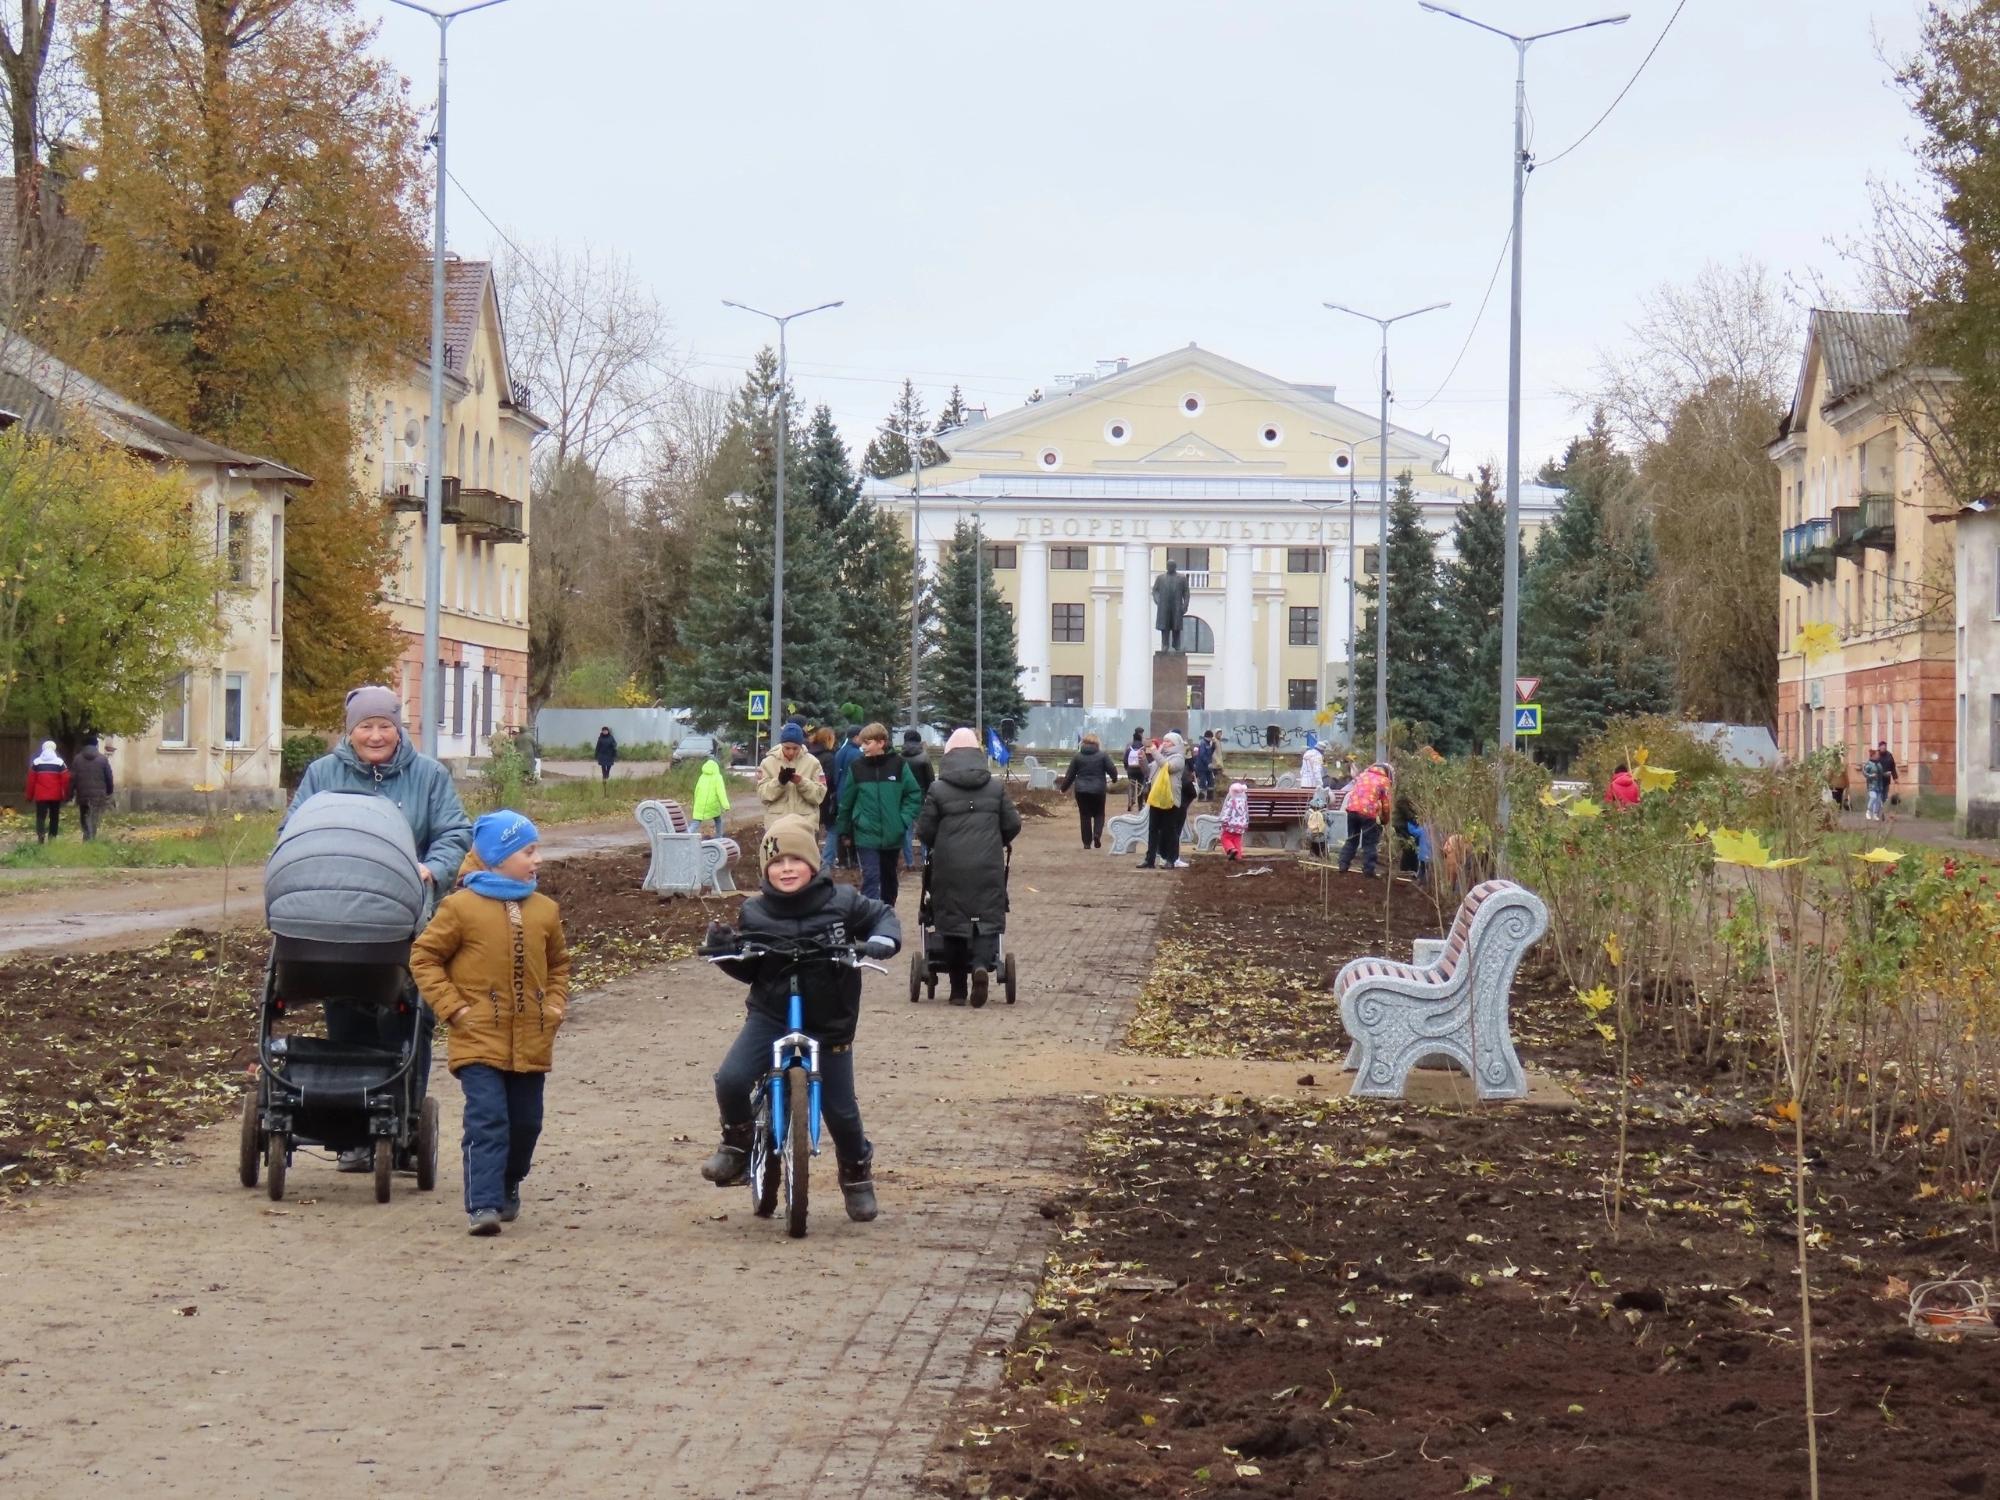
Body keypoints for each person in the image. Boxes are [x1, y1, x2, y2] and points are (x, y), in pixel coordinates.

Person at [287, 685, 473, 1169]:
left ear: (398, 728)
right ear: (349, 732)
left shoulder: (428, 776)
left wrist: (432, 868)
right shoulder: (323, 775)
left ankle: (403, 1127)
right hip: (335, 916)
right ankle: (352, 1130)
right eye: (364, 726)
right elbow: (295, 829)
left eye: (383, 725)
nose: (375, 735)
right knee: (347, 1012)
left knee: (410, 1015)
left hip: (406, 918)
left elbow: (455, 830)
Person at [700, 815, 900, 1221]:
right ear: (765, 869)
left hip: (829, 1020)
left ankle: (856, 1174)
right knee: (732, 1078)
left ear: (812, 863)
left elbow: (883, 916)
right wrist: (723, 950)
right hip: (771, 1014)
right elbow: (748, 969)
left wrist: (882, 940)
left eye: (795, 860)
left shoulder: (843, 901)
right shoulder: (754, 911)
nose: (786, 869)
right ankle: (736, 1144)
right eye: (776, 862)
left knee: (841, 1111)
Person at [410, 809, 569, 1236]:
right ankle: (483, 1204)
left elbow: (559, 965)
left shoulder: (544, 910)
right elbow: (424, 958)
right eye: (528, 851)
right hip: (477, 1036)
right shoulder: (460, 908)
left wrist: (554, 1005)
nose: (537, 860)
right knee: (488, 1118)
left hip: (533, 1037)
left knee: (526, 1122)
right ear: (498, 856)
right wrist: (454, 1008)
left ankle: (509, 1181)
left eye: (537, 850)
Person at [913, 727, 1021, 1006]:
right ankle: (981, 967)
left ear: (948, 756)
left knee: (951, 923)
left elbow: (925, 830)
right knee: (985, 920)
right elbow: (1013, 824)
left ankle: (959, 990)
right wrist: (996, 839)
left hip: (950, 867)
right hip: (988, 864)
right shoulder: (995, 787)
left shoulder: (938, 789)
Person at [838, 722, 923, 905]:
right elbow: (847, 801)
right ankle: (870, 918)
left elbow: (914, 794)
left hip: (892, 834)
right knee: (871, 876)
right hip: (866, 834)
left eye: (867, 743)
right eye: (862, 743)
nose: (863, 747)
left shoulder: (899, 765)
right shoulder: (857, 767)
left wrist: (902, 820)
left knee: (889, 879)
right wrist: (844, 830)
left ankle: (887, 914)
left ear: (881, 743)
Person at [1057, 731, 1120, 850]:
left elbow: (1070, 775)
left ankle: (1086, 843)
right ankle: (1096, 834)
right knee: (1099, 814)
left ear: (1083, 743)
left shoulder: (1077, 756)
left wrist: (1063, 789)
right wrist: (1114, 779)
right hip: (1098, 790)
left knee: (1084, 816)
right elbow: (1112, 770)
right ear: (1097, 743)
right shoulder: (1103, 755)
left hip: (1081, 790)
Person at [757, 721, 827, 825]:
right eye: (787, 748)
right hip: (777, 825)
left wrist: (801, 782)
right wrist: (779, 782)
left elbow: (819, 796)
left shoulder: (813, 763)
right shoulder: (767, 763)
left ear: (801, 745)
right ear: (781, 745)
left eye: (795, 748)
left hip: (805, 825)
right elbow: (763, 795)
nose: (791, 752)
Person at [1137, 731, 1188, 870]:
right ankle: (1150, 859)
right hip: (1157, 798)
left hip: (1170, 798)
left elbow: (1167, 767)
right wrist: (1142, 760)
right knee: (1153, 829)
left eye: (1168, 741)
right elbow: (1149, 772)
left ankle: (1171, 860)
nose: (1164, 743)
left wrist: (1154, 751)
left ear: (1176, 744)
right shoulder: (1161, 755)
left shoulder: (1178, 758)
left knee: (1170, 830)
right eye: (1164, 741)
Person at [1338, 761, 1393, 878]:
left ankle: (1343, 864)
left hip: (1352, 810)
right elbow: (1386, 804)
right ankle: (1368, 870)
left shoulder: (1362, 775)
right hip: (1368, 813)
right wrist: (1385, 820)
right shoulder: (1384, 780)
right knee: (1369, 843)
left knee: (1352, 839)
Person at [899, 729, 933, 870]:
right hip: (922, 798)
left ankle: (909, 861)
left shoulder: (899, 758)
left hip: (905, 798)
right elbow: (931, 780)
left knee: (906, 831)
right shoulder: (924, 757)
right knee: (924, 831)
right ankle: (926, 860)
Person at [69, 734, 114, 841]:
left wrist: (70, 793)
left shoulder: (77, 759)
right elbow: (109, 777)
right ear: (96, 744)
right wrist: (109, 791)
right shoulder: (102, 759)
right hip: (98, 795)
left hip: (82, 795)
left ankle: (87, 835)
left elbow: (72, 778)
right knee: (94, 816)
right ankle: (91, 837)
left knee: (84, 816)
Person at [26, 741, 70, 843]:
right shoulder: (60, 762)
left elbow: (31, 781)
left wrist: (29, 796)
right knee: (54, 817)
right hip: (56, 795)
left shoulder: (36, 762)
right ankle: (52, 838)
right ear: (54, 749)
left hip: (41, 796)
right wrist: (66, 794)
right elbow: (66, 779)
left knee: (40, 816)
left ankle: (41, 836)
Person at [809, 727, 841, 866]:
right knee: (833, 828)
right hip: (826, 798)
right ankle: (827, 860)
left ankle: (811, 858)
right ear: (829, 739)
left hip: (809, 795)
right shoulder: (829, 757)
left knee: (811, 828)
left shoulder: (809, 754)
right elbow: (831, 778)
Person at [691, 754, 730, 837]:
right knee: (718, 820)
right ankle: (719, 837)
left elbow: (696, 790)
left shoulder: (702, 776)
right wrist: (726, 805)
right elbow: (721, 793)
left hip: (700, 804)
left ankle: (686, 835)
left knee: (696, 822)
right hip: (712, 805)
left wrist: (696, 802)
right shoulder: (718, 777)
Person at [1218, 778, 1249, 860]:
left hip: (1230, 825)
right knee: (1237, 840)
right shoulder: (1244, 802)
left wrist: (1223, 822)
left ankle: (1231, 849)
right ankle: (1238, 856)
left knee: (1225, 838)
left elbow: (1227, 813)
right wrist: (1246, 823)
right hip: (1241, 826)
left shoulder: (1232, 801)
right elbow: (1246, 813)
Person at [1862, 748, 1889, 821]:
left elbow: (1881, 774)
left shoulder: (1879, 764)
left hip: (1879, 785)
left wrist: (1885, 774)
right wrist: (1871, 776)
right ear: (1873, 755)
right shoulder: (1868, 764)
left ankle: (1875, 814)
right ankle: (1868, 811)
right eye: (1877, 755)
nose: (1878, 756)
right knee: (1873, 797)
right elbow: (1864, 773)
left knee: (1878, 801)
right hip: (1872, 785)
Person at [1124, 728, 1147, 811]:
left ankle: (1130, 801)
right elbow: (1145, 758)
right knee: (1140, 786)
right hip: (1140, 769)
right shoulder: (1144, 745)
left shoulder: (1129, 745)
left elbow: (1125, 758)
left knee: (1131, 786)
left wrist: (1127, 767)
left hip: (1131, 769)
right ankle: (1140, 805)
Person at [1305, 790, 1328, 860]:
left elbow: (1306, 820)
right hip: (1322, 835)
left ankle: (1312, 855)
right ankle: (1323, 855)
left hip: (1311, 834)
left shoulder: (1308, 813)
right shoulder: (1324, 813)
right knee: (1322, 846)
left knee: (1313, 846)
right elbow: (1330, 821)